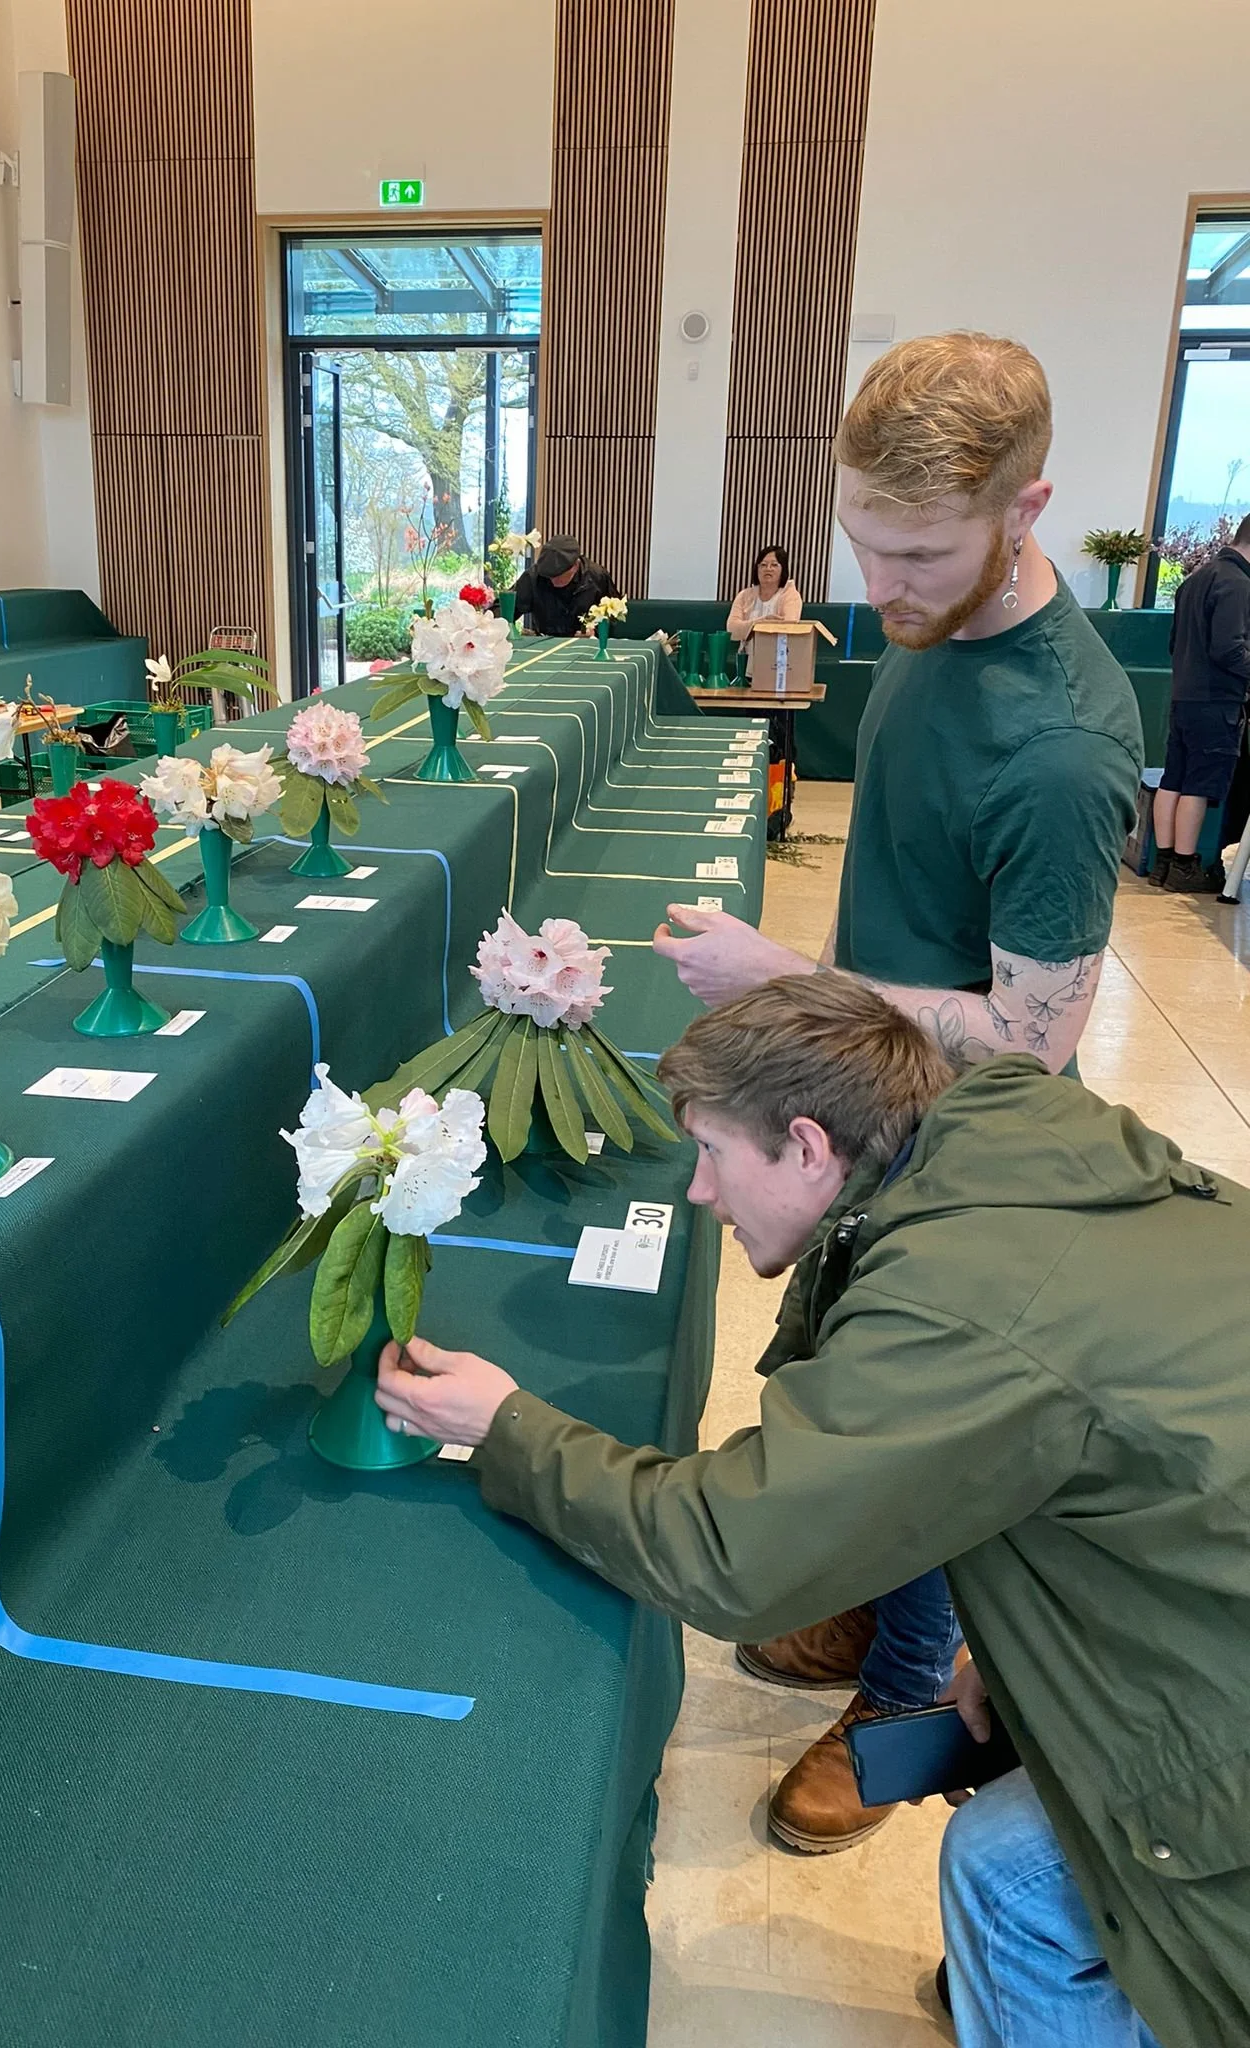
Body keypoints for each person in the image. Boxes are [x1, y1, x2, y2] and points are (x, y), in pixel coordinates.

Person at [374, 974, 1250, 2048]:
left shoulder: (962, 1297)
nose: (700, 1191)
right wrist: (1031, 1657)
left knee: (1023, 1886)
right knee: (1004, 1871)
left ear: (806, 1143)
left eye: (713, 1153)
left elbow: (730, 1549)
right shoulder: (1014, 1153)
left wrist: (507, 1423)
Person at [644, 333, 1145, 1854]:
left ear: (1029, 505)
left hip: (972, 1147)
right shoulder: (935, 631)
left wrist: (794, 981)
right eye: (863, 539)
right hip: (883, 1111)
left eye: (919, 551)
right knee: (840, 1379)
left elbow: (1034, 1040)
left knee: (915, 1436)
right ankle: (875, 1624)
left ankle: (913, 1690)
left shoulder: (1058, 750)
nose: (884, 585)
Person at [1149, 515, 1250, 893]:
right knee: (1199, 785)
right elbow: (1230, 649)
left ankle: (1162, 863)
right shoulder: (1238, 584)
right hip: (1217, 699)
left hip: (1184, 695)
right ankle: (1185, 868)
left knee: (1172, 779)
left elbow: (1175, 643)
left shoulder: (1196, 579)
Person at [509, 534, 620, 638]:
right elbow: (505, 609)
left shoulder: (596, 576)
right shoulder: (534, 576)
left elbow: (616, 615)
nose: (553, 581)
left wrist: (595, 630)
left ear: (575, 566)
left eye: (559, 576)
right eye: (550, 576)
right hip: (544, 643)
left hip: (586, 645)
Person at [725, 542, 803, 643]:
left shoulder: (791, 596)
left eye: (774, 565)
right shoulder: (744, 596)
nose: (768, 569)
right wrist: (761, 623)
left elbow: (788, 629)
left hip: (778, 655)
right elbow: (732, 630)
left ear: (783, 569)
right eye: (763, 565)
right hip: (747, 655)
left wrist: (750, 627)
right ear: (757, 569)